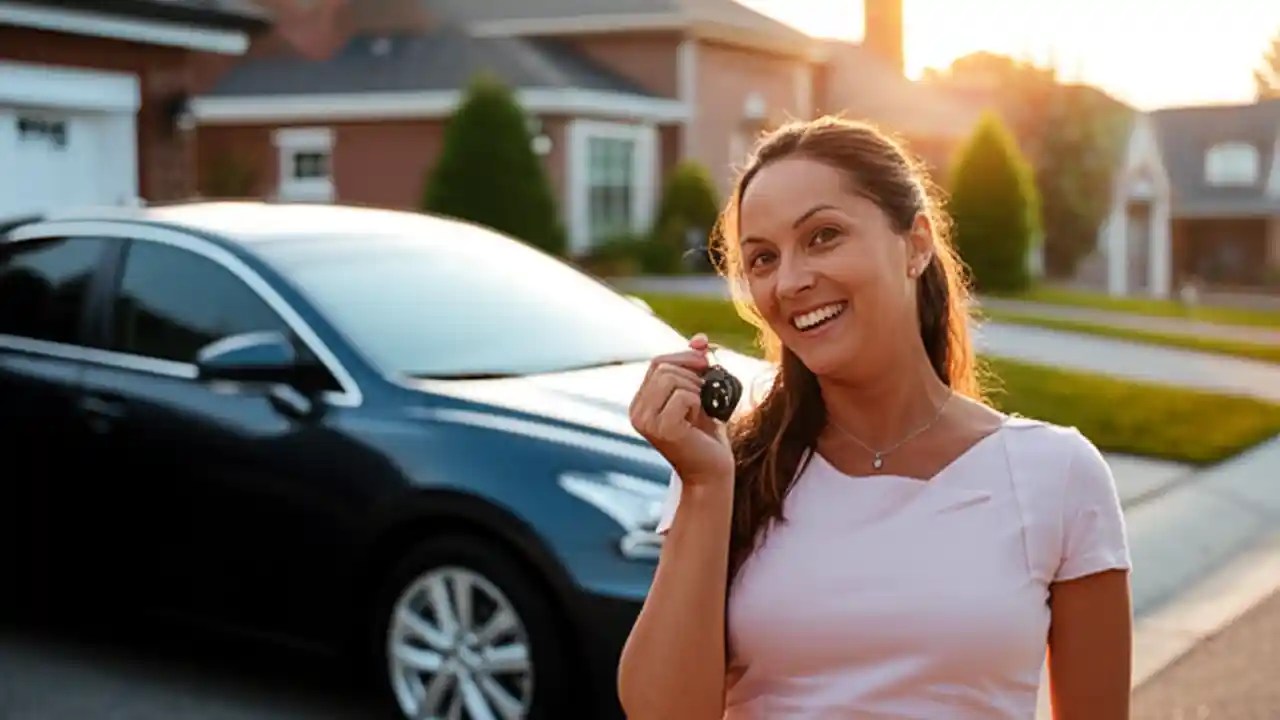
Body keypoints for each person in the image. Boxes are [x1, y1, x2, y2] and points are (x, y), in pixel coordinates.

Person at [617, 116, 1132, 719]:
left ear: (915, 244)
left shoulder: (1057, 475)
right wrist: (706, 487)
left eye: (823, 236)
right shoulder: (729, 466)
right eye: (762, 259)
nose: (790, 281)